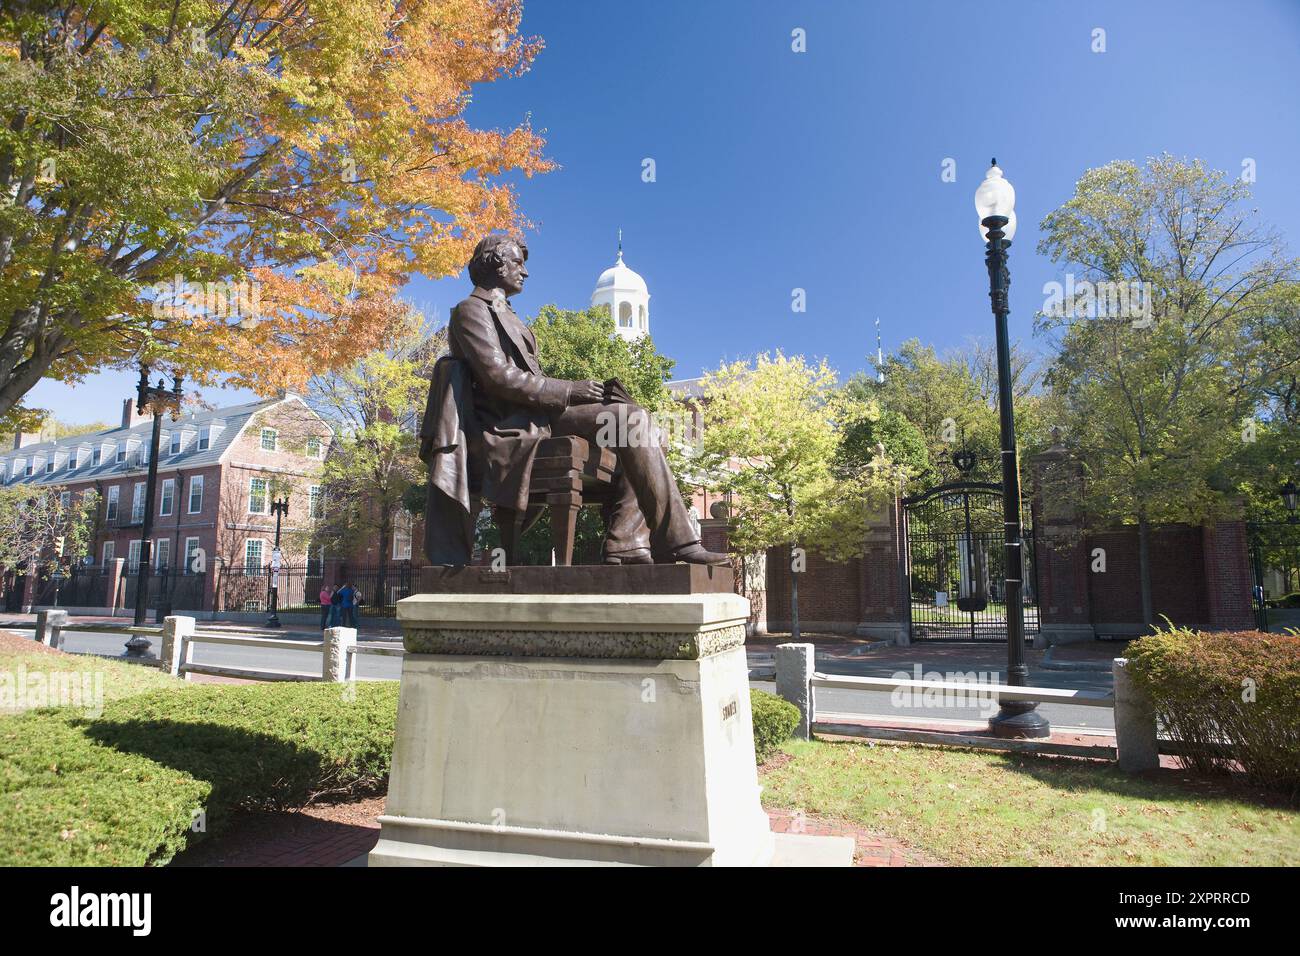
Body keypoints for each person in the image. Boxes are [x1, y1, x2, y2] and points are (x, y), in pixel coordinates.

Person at [421, 234, 728, 567]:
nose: (525, 272)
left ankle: (626, 541)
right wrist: (572, 390)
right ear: (495, 263)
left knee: (640, 422)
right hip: (510, 424)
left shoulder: (506, 314)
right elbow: (499, 377)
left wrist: (597, 396)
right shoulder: (471, 311)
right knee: (630, 421)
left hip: (536, 417)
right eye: (517, 263)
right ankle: (677, 543)